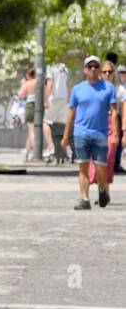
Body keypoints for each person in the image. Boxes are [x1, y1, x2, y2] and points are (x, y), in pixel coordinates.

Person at [62, 55, 117, 210]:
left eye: (95, 66)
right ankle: (84, 199)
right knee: (83, 167)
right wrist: (66, 136)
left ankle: (101, 189)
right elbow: (71, 113)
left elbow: (114, 112)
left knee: (101, 167)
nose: (93, 69)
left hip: (100, 134)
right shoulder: (78, 89)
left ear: (99, 69)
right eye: (90, 66)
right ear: (85, 69)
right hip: (81, 133)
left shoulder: (108, 88)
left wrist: (115, 134)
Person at [98, 56, 124, 189]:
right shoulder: (96, 88)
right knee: (98, 160)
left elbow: (123, 111)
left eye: (110, 72)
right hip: (97, 124)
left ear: (114, 73)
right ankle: (102, 188)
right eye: (104, 72)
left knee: (108, 158)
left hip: (113, 123)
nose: (107, 74)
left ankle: (105, 189)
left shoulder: (119, 90)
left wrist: (123, 131)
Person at [18, 68, 55, 162]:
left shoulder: (29, 83)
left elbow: (21, 94)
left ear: (29, 75)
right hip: (39, 105)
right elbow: (46, 93)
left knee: (31, 130)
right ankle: (27, 150)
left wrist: (22, 84)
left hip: (30, 105)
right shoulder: (41, 83)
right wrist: (46, 102)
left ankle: (35, 151)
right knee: (37, 127)